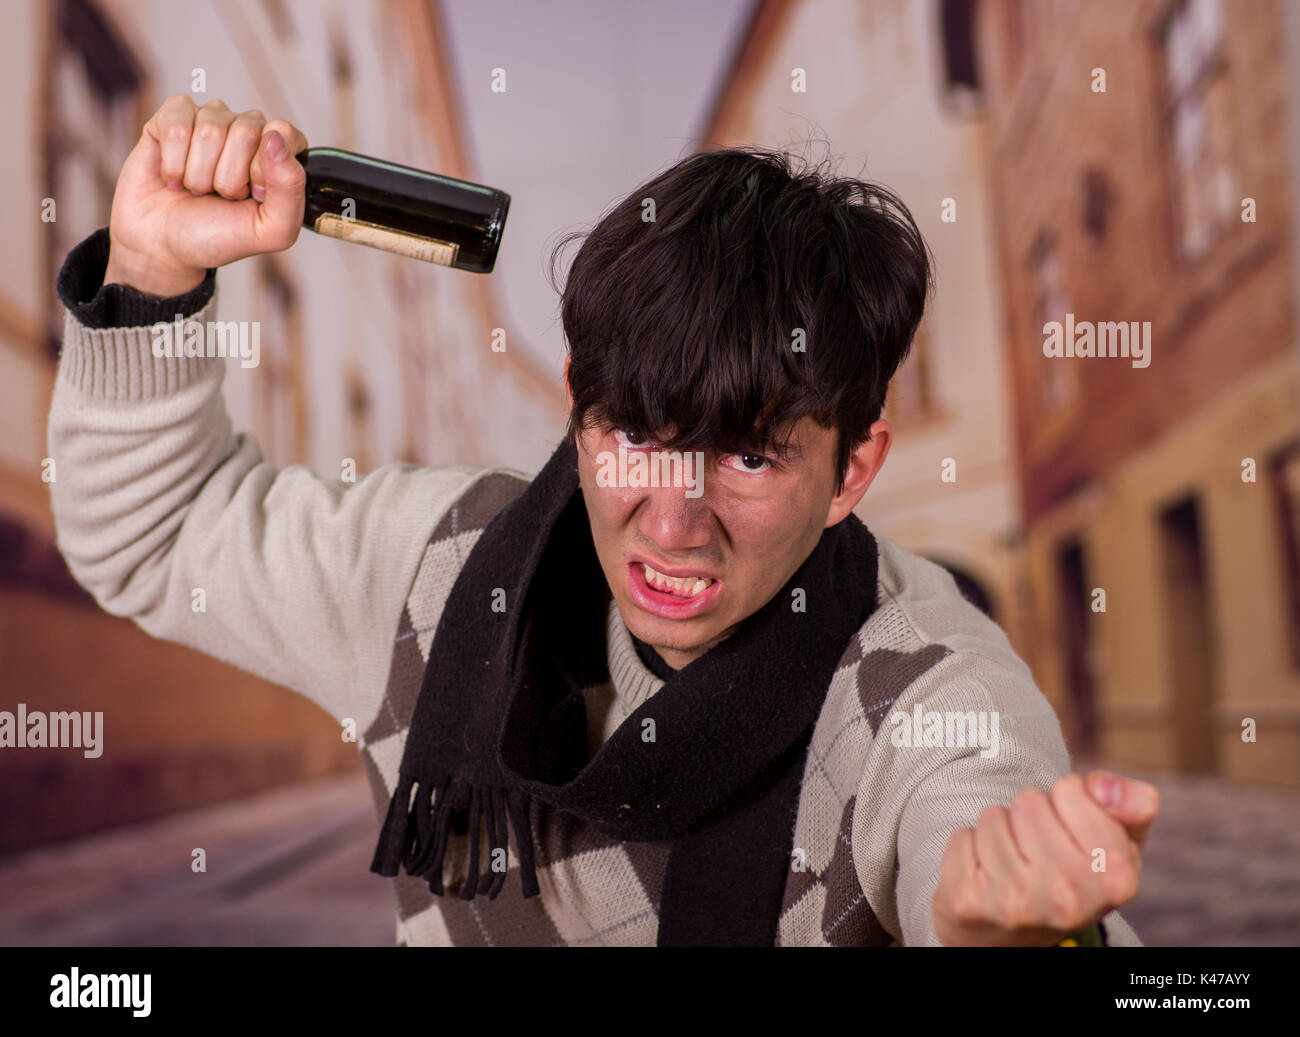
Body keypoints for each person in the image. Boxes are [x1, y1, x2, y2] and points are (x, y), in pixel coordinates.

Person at [48, 94, 1158, 947]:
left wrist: (1003, 926)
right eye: (632, 432)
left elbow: (973, 806)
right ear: (577, 395)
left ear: (854, 466)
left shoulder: (919, 681)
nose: (673, 522)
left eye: (750, 453)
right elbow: (154, 532)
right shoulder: (433, 571)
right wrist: (148, 272)